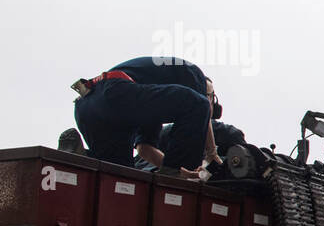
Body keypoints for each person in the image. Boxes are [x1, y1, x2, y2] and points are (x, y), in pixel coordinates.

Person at [73, 57, 220, 177]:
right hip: (115, 91)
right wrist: (212, 153)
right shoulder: (193, 74)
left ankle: (79, 158)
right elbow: (201, 106)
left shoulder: (150, 105)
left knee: (119, 174)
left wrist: (181, 172)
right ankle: (174, 172)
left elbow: (145, 148)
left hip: (87, 107)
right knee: (198, 105)